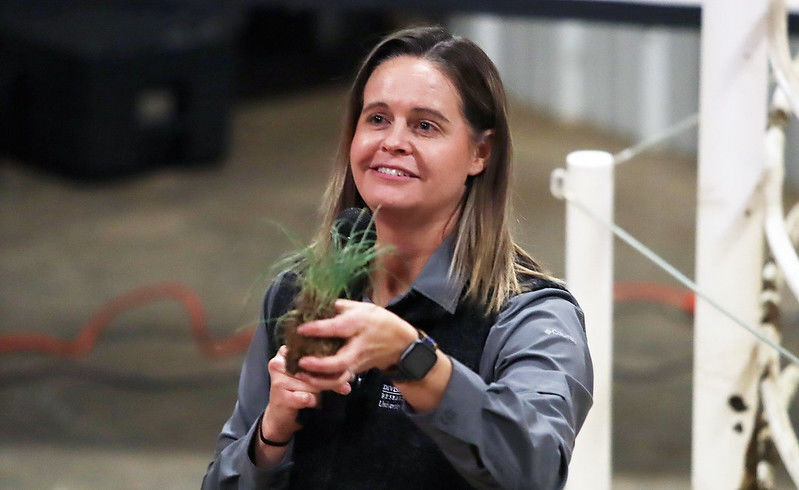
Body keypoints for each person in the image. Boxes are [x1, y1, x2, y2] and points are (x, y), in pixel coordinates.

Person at [202, 25, 592, 490]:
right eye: (378, 119)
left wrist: (412, 359)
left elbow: (537, 470)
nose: (393, 141)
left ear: (480, 153)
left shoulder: (531, 316)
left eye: (425, 125)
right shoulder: (297, 292)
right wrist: (271, 435)